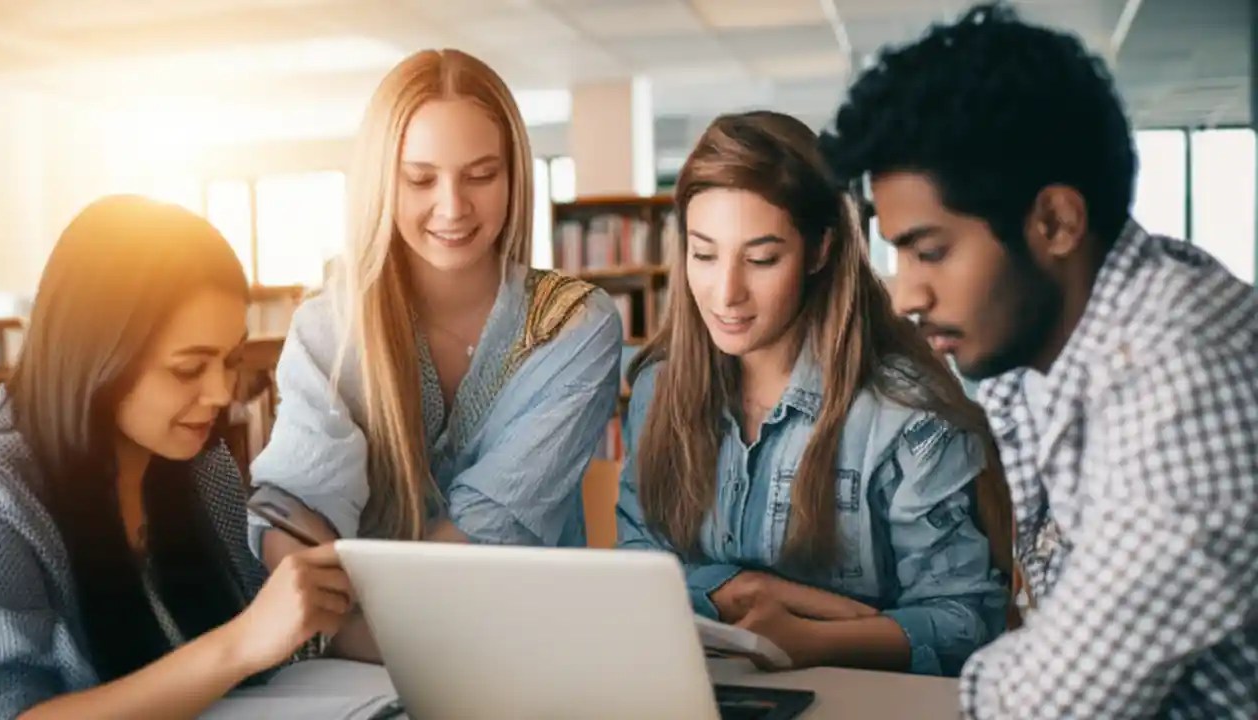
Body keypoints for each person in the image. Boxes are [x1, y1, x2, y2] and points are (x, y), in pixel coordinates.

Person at [823, 4, 1258, 717]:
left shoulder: (1183, 373)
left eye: (931, 251)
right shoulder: (1042, 347)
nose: (905, 293)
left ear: (1055, 221)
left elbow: (1060, 701)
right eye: (897, 254)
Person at [249, 49, 622, 659]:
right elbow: (296, 512)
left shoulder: (577, 326)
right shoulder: (328, 326)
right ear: (380, 182)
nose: (452, 207)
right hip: (356, 665)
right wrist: (339, 619)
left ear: (515, 177)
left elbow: (494, 527)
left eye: (480, 175)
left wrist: (346, 629)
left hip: (523, 655)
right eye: (420, 179)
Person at [616, 111, 1014, 678]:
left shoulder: (904, 414)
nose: (726, 293)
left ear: (821, 250)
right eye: (704, 255)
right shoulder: (658, 387)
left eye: (760, 259)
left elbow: (967, 620)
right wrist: (741, 587)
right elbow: (635, 567)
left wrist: (814, 640)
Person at [0, 196, 352, 720]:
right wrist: (240, 644)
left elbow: (261, 659)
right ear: (97, 357)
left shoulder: (200, 465)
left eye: (230, 360)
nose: (222, 393)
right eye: (187, 369)